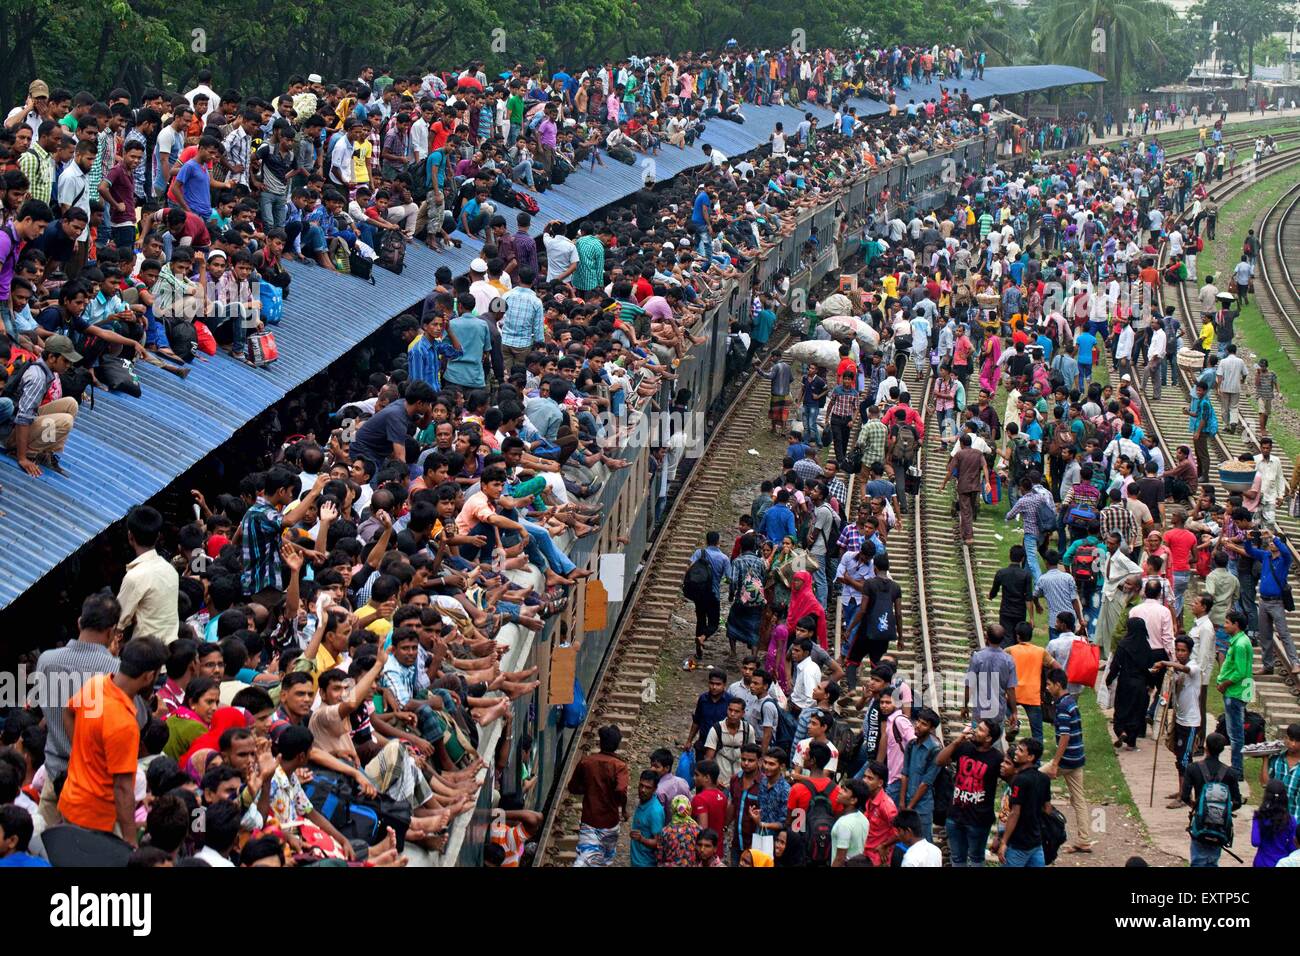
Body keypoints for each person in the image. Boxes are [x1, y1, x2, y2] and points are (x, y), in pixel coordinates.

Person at [57, 637, 168, 845]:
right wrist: (129, 840)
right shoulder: (124, 724)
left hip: (71, 800)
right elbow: (123, 788)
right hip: (97, 820)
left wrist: (80, 753)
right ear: (149, 676)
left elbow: (68, 711)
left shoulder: (96, 685)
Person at [937, 718, 1002, 867]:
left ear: (989, 738)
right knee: (957, 858)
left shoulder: (997, 758)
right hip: (955, 816)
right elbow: (939, 761)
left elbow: (1011, 779)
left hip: (979, 820)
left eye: (980, 729)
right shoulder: (964, 747)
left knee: (976, 858)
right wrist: (957, 741)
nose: (974, 730)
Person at [1044, 667, 1092, 854]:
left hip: (1066, 759)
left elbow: (1064, 736)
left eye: (1049, 684)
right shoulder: (1070, 701)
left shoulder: (1062, 706)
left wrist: (1055, 763)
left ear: (1058, 685)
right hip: (1078, 757)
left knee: (1032, 778)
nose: (1047, 688)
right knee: (1079, 799)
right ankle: (1084, 840)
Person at [568, 725, 628, 867]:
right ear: (617, 745)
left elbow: (573, 787)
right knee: (604, 861)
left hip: (590, 820)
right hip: (610, 822)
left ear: (600, 742)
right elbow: (621, 790)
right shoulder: (620, 766)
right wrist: (623, 809)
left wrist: (590, 788)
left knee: (585, 859)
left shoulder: (586, 762)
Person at [1180, 732, 1242, 867]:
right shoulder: (1230, 773)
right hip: (1220, 826)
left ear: (1206, 747)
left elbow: (1184, 796)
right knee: (1213, 860)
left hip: (1201, 823)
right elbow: (1237, 802)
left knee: (1198, 859)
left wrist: (1196, 806)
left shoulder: (1193, 768)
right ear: (1222, 750)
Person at [992, 737, 1053, 867]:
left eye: (1020, 750)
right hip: (1036, 842)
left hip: (1018, 844)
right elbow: (1047, 809)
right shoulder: (1044, 779)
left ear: (1030, 757)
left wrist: (1004, 842)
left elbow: (1015, 813)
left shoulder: (1019, 780)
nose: (1016, 753)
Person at [1106, 618, 1153, 750]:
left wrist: (1109, 679)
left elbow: (1115, 665)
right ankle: (1131, 742)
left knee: (1121, 710)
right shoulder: (1147, 647)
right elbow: (1150, 668)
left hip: (1125, 683)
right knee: (1136, 713)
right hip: (1140, 685)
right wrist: (1151, 683)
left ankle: (1121, 731)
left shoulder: (1123, 645)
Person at [1252, 780, 1298, 867]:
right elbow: (1293, 846)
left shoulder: (1259, 816)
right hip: (1282, 862)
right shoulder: (1291, 820)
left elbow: (1255, 841)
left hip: (1261, 861)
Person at [628, 770, 666, 867]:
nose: (643, 790)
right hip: (636, 861)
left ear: (655, 789)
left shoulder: (655, 811)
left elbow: (658, 842)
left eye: (648, 787)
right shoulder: (643, 801)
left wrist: (642, 839)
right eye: (641, 785)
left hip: (646, 863)